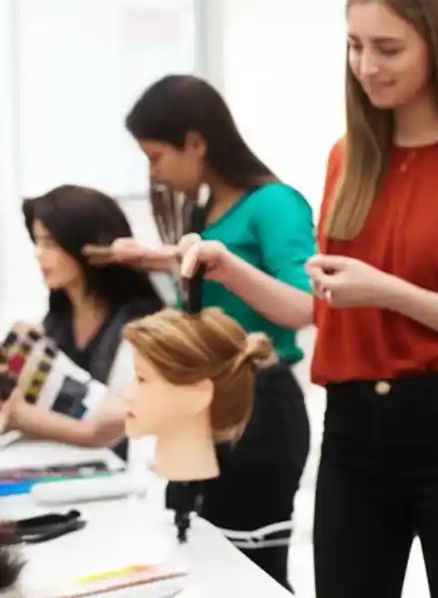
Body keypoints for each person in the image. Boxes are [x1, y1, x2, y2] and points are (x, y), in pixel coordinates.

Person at [194, 0, 438, 597]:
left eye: (388, 48)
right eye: (355, 45)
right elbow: (315, 309)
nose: (366, 65)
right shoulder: (347, 157)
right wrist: (230, 268)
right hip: (354, 431)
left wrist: (386, 291)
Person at [109, 74, 313, 592]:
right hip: (204, 406)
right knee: (197, 557)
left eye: (156, 157)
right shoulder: (205, 212)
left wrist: (223, 268)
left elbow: (304, 306)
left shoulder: (276, 205)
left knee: (250, 573)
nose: (153, 173)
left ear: (195, 143)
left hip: (260, 407)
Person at [10, 185, 163, 455]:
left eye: (51, 244)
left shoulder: (142, 327)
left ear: (87, 246)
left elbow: (119, 427)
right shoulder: (49, 326)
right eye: (37, 242)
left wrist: (21, 415)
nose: (39, 254)